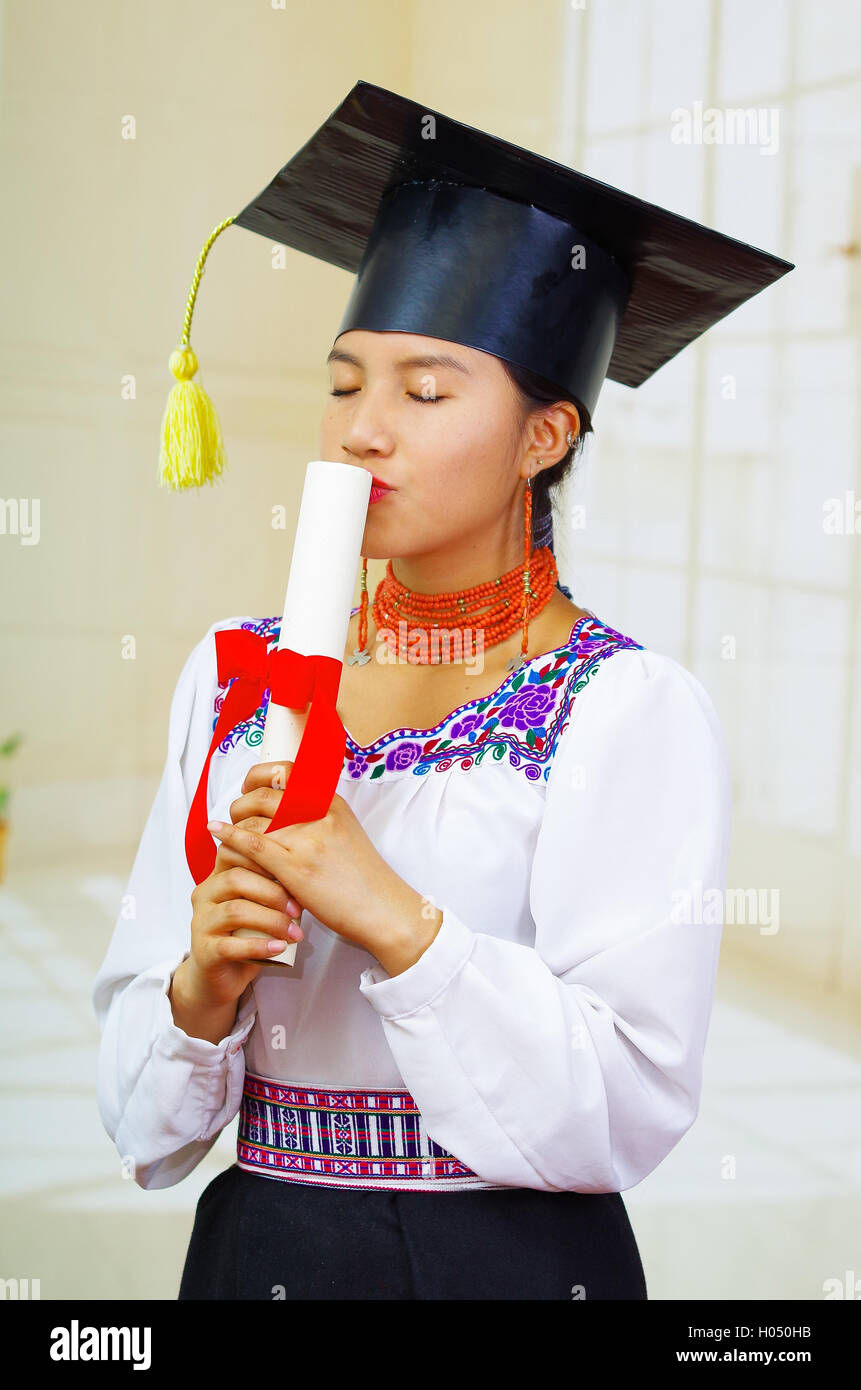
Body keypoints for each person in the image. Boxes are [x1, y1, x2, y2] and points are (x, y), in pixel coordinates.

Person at [91, 81, 792, 1301]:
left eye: (424, 392)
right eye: (344, 382)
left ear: (544, 437)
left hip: (508, 1269)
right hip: (259, 1254)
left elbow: (625, 1106)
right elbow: (141, 1125)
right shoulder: (233, 680)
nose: (363, 431)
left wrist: (386, 910)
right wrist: (197, 990)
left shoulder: (626, 711)